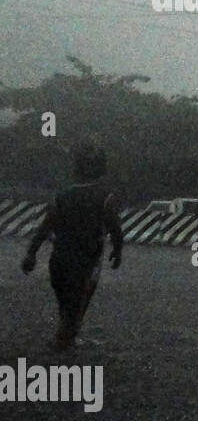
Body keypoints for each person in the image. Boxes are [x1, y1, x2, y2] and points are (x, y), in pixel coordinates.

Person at [21, 142, 124, 350]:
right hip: (87, 260)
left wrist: (31, 254)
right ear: (101, 168)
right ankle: (63, 340)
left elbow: (45, 226)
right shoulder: (106, 197)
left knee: (65, 302)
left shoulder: (62, 195)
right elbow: (115, 228)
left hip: (59, 259)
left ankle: (66, 336)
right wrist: (117, 250)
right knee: (77, 302)